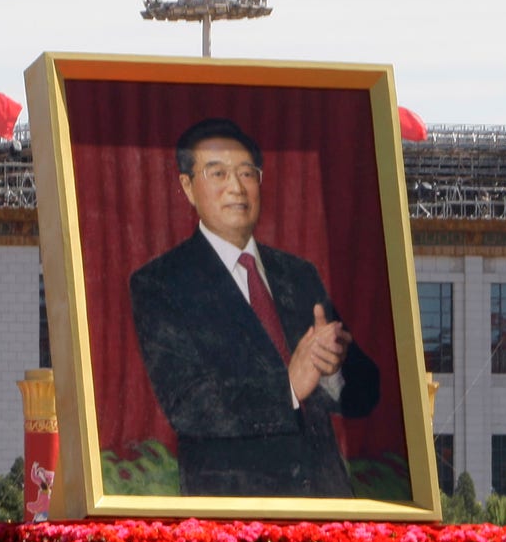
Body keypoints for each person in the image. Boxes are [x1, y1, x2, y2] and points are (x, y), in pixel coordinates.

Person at [129, 117, 382, 498]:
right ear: (188, 187)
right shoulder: (161, 283)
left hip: (326, 509)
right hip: (233, 518)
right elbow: (189, 406)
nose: (236, 187)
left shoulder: (297, 274)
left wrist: (333, 368)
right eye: (218, 174)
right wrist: (288, 388)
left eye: (247, 173)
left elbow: (366, 392)